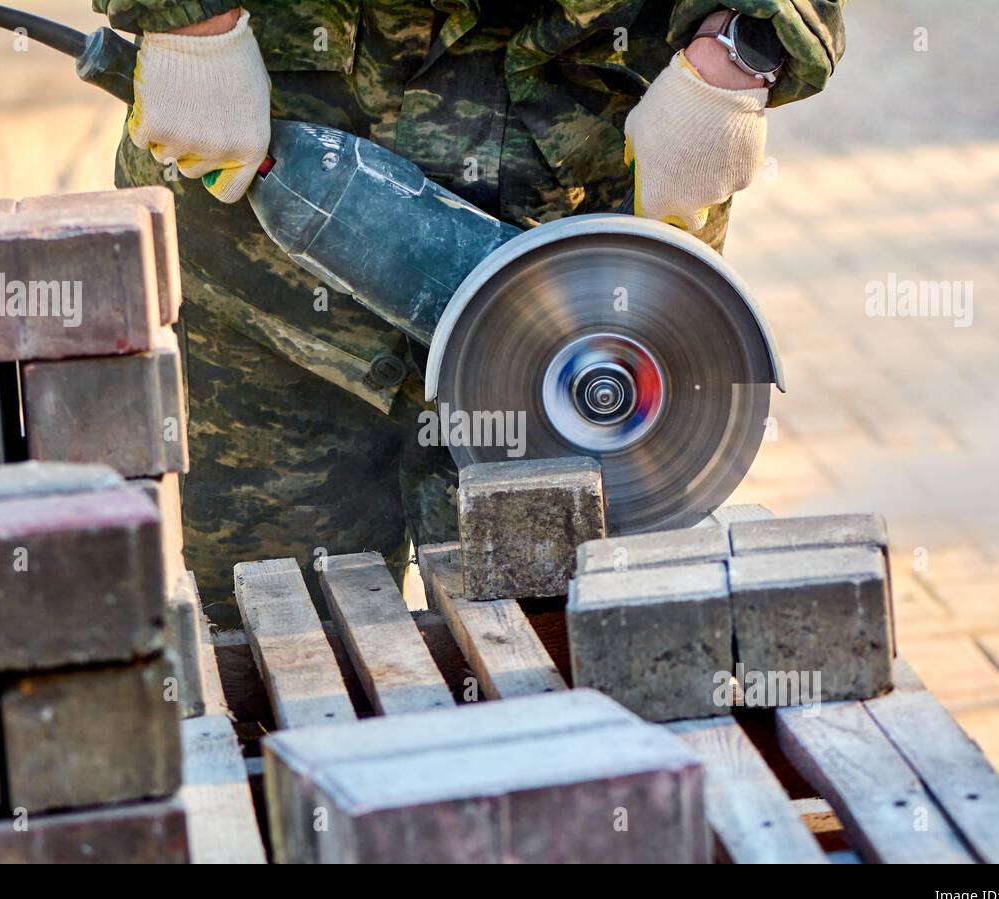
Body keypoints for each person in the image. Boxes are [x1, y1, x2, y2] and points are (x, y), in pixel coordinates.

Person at [93, 0, 846, 625]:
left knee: (579, 648)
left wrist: (739, 50)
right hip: (266, 239)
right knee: (271, 635)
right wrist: (187, 21)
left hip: (588, 285)